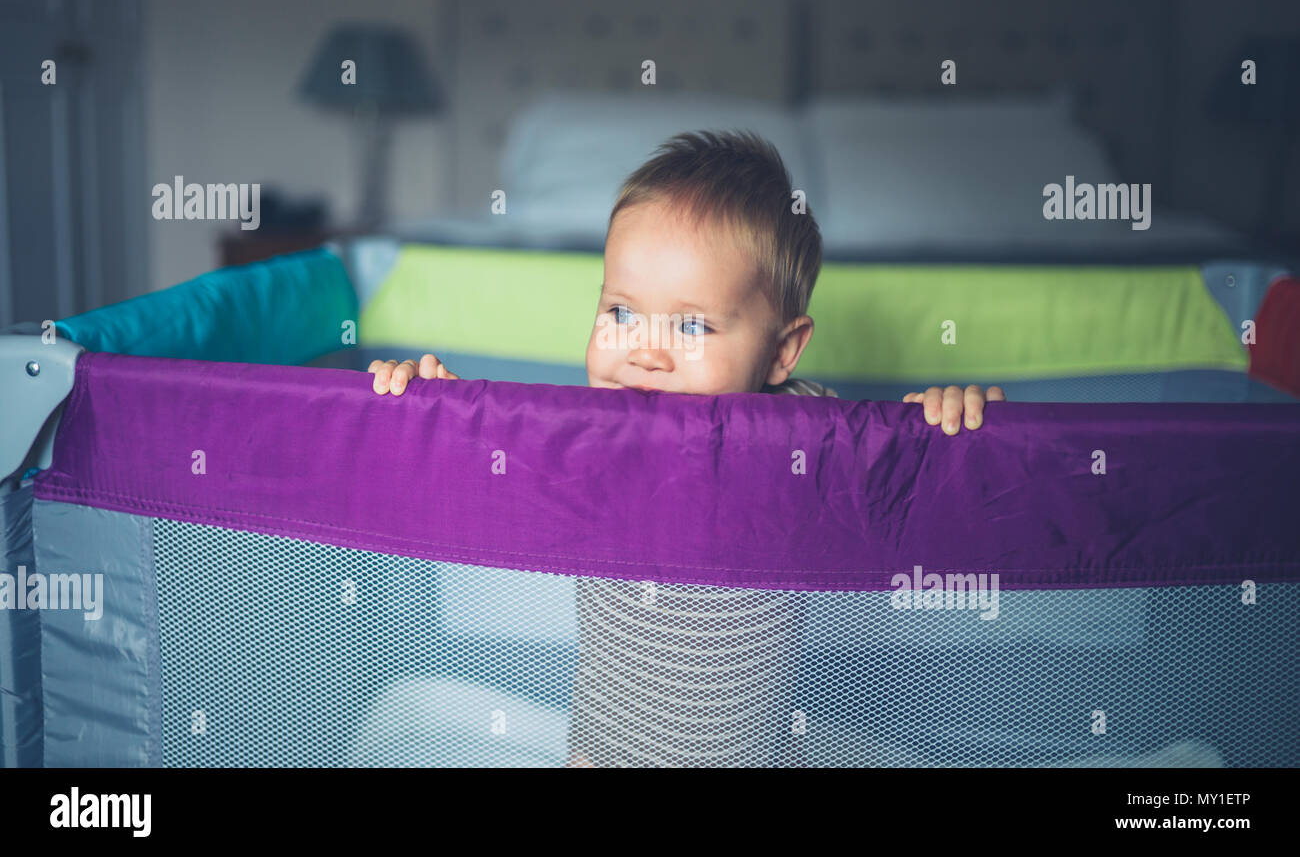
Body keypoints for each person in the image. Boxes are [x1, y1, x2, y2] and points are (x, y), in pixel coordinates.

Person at [369, 130, 1006, 766]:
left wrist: (943, 429)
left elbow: (910, 497)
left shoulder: (811, 436)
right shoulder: (589, 431)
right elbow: (489, 467)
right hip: (601, 758)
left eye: (692, 325)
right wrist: (437, 407)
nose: (645, 351)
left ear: (782, 351)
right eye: (620, 313)